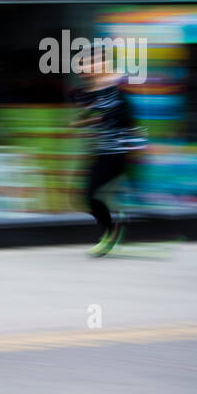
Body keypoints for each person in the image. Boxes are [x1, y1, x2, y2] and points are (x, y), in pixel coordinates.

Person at [69, 46, 147, 256]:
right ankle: (111, 228)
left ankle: (110, 233)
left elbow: (128, 118)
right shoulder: (84, 93)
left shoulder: (119, 87)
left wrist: (139, 146)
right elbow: (83, 121)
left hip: (119, 150)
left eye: (98, 60)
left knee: (91, 194)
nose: (93, 65)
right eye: (89, 62)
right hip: (100, 150)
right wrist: (84, 121)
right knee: (87, 196)